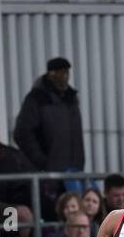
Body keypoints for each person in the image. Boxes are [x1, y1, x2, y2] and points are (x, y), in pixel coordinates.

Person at [15, 57, 86, 198]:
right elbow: (22, 133)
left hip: (74, 171)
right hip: (50, 174)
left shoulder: (71, 98)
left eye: (67, 72)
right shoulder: (37, 99)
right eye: (61, 73)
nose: (65, 77)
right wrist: (43, 161)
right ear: (51, 74)